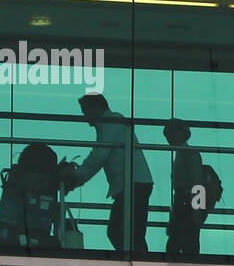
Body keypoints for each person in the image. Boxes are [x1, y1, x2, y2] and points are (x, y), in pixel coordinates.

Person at [62, 93, 153, 253]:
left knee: (121, 232)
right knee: (130, 232)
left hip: (133, 184)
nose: (85, 116)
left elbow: (100, 154)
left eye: (85, 111)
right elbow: (100, 155)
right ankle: (139, 262)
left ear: (96, 107)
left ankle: (140, 263)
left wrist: (78, 177)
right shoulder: (110, 124)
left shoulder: (112, 122)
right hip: (133, 184)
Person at [163, 118, 206, 256]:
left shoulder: (189, 154)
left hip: (187, 203)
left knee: (185, 244)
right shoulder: (182, 154)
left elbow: (196, 183)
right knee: (181, 243)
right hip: (183, 202)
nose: (167, 137)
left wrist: (196, 210)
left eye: (170, 133)